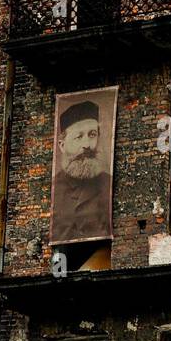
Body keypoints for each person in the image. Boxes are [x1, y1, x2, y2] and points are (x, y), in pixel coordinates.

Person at [50, 99, 112, 243]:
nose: (87, 145)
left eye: (92, 135)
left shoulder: (108, 183)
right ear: (62, 145)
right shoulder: (53, 188)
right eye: (79, 137)